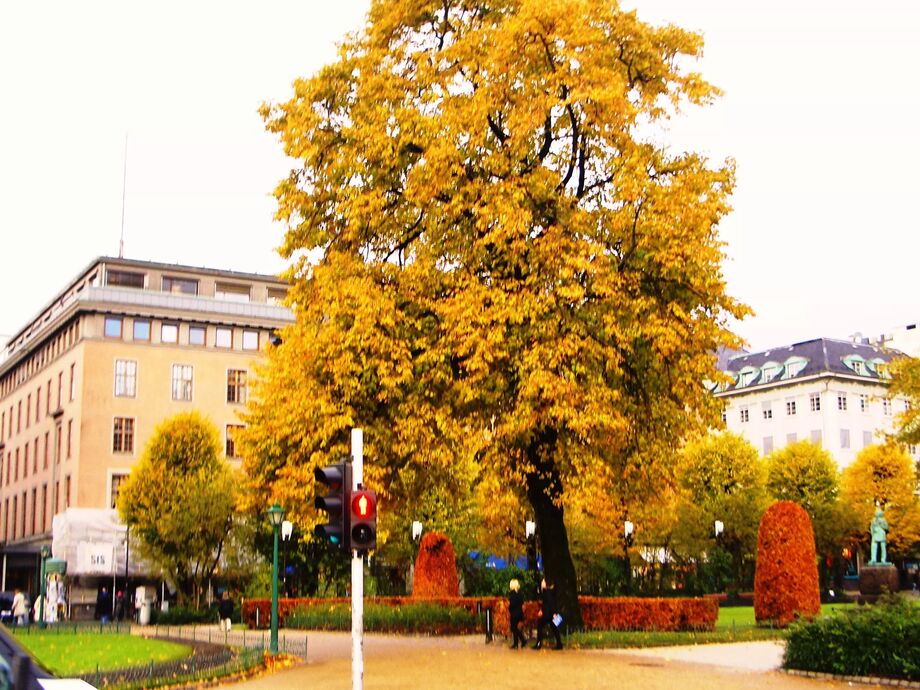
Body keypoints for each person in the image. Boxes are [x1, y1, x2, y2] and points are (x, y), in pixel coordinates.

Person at [533, 577, 563, 650]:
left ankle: (539, 643)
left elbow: (548, 603)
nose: (541, 583)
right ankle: (559, 644)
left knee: (540, 626)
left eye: (543, 582)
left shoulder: (547, 592)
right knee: (554, 628)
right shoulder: (551, 591)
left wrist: (552, 613)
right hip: (550, 613)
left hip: (547, 614)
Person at [508, 579, 526, 649]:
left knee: (514, 628)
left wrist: (509, 608)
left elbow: (512, 604)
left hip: (514, 613)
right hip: (519, 613)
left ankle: (521, 641)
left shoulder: (512, 594)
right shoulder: (519, 594)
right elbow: (522, 603)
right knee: (515, 628)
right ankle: (518, 642)